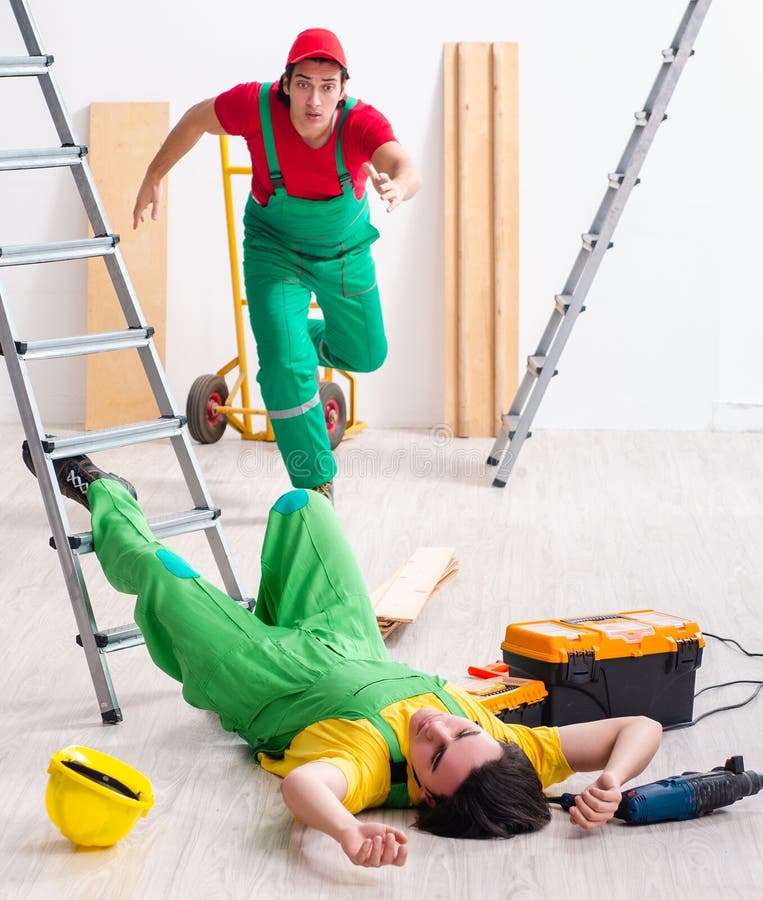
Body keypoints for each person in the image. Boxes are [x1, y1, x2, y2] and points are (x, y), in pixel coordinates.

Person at [23, 446, 662, 868]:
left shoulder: (369, 768)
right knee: (305, 508)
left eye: (435, 755)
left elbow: (303, 787)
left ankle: (108, 494)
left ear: (425, 795)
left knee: (164, 572)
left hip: (266, 679)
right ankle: (267, 608)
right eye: (463, 730)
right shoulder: (507, 749)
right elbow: (641, 726)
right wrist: (611, 780)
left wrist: (348, 833)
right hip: (350, 639)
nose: (436, 728)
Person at [133, 28, 422, 502]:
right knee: (284, 367)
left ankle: (288, 340)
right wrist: (154, 173)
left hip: (344, 253)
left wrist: (399, 186)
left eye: (327, 86)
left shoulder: (359, 122)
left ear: (343, 90)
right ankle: (316, 486)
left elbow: (406, 165)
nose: (314, 100)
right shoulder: (254, 106)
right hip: (275, 249)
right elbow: (196, 119)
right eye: (304, 84)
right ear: (286, 83)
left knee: (366, 355)